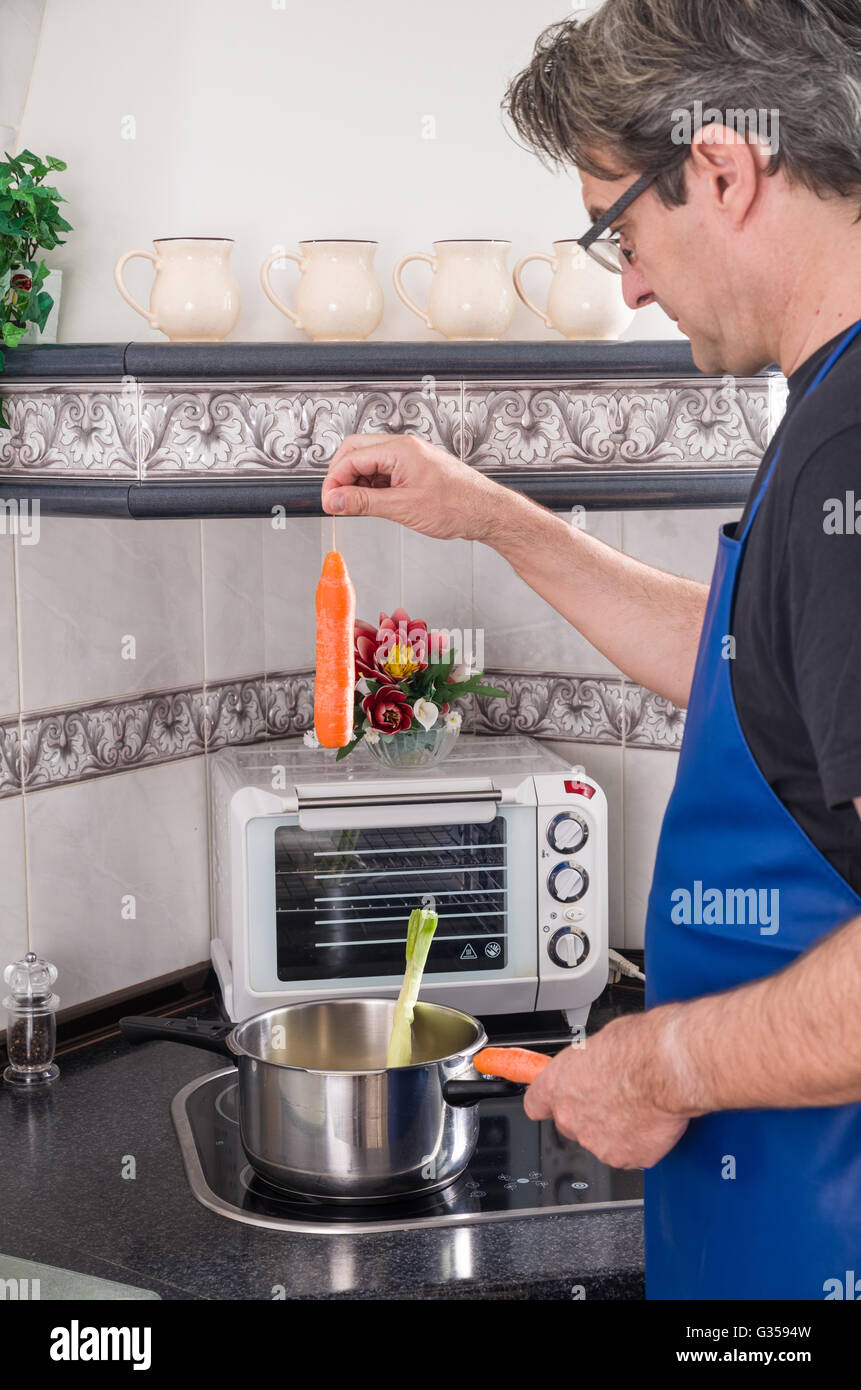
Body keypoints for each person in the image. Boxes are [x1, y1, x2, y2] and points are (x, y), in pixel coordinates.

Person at [320, 0, 861, 1300]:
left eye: (615, 225)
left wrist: (660, 1064)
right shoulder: (828, 411)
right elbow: (762, 690)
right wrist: (497, 521)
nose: (622, 278)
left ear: (721, 170)